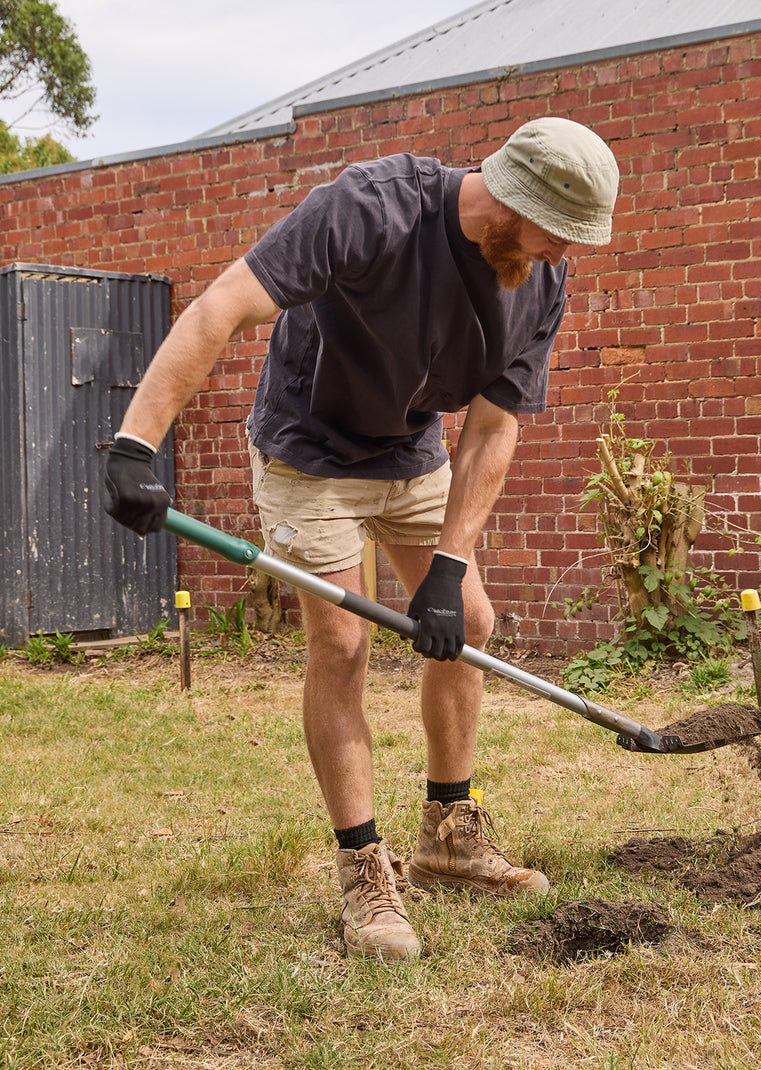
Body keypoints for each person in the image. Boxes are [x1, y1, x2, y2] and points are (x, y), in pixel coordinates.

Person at [102, 116, 619, 962]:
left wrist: (449, 569)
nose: (567, 253)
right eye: (562, 233)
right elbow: (221, 307)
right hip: (310, 450)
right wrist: (135, 442)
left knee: (470, 625)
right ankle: (363, 871)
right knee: (341, 641)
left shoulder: (538, 283)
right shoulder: (370, 208)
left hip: (409, 454)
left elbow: (490, 431)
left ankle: (449, 835)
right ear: (514, 202)